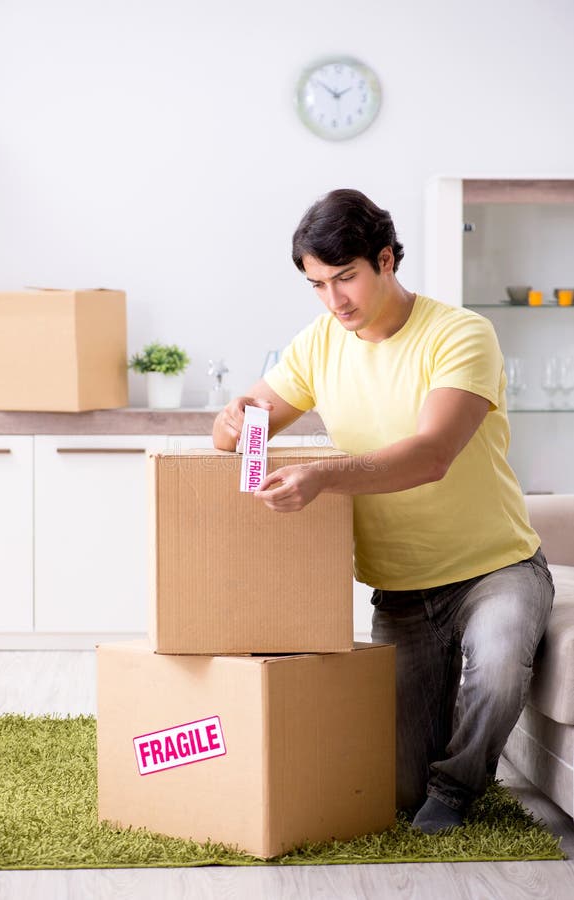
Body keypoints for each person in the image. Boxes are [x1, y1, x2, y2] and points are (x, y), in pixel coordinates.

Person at [212, 188, 554, 834]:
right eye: (317, 284)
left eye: (345, 278)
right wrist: (232, 422)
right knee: (397, 789)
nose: (334, 300)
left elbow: (429, 455)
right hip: (400, 591)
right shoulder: (319, 343)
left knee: (501, 658)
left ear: (386, 260)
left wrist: (321, 477)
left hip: (495, 568)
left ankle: (457, 788)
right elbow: (238, 427)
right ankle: (449, 760)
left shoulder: (460, 334)